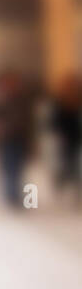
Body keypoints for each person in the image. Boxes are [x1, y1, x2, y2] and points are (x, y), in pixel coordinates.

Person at [0, 68, 37, 210]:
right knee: (7, 167)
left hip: (20, 137)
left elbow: (29, 121)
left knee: (18, 168)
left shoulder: (23, 100)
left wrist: (32, 141)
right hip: (4, 138)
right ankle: (10, 195)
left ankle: (16, 195)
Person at [48, 72, 82, 207]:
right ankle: (61, 182)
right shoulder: (59, 102)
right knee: (64, 163)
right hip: (65, 138)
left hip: (77, 137)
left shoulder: (79, 100)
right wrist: (58, 134)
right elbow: (54, 121)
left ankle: (75, 188)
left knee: (75, 164)